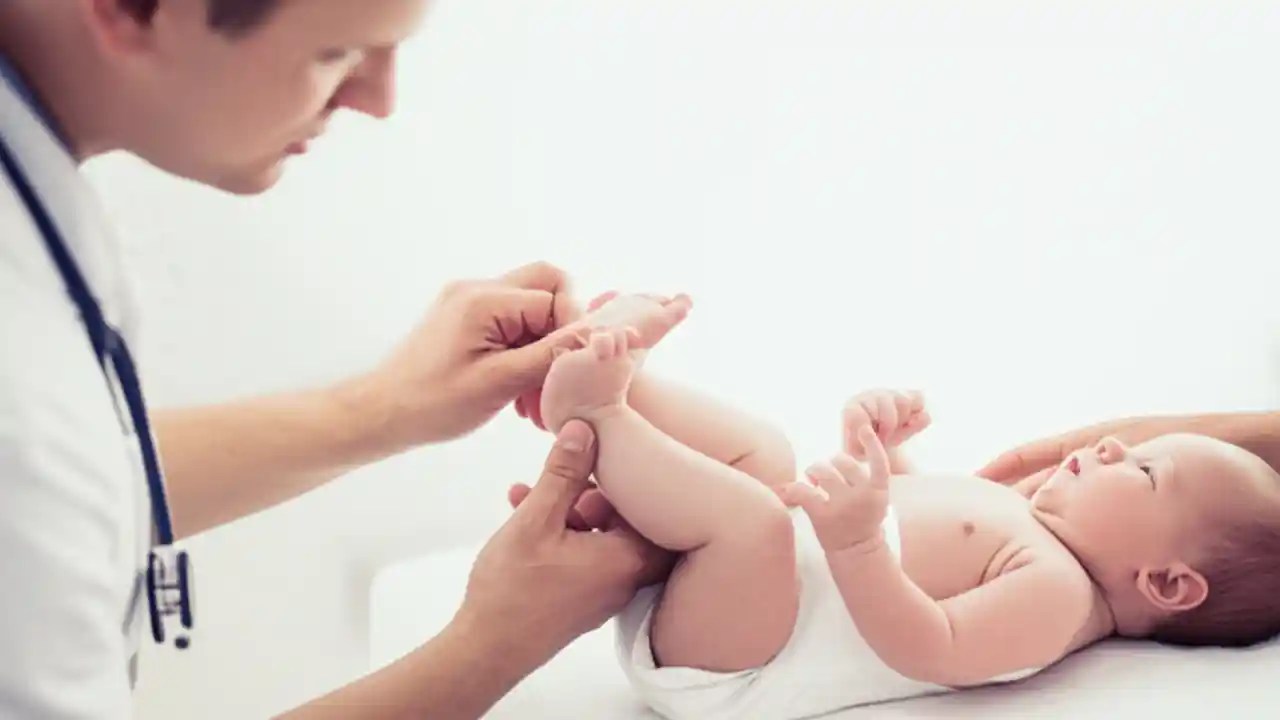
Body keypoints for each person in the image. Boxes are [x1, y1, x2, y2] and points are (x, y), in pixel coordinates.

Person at [0, 1, 670, 718]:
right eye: (336, 54)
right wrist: (492, 646)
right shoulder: (21, 380)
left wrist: (382, 411)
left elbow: (79, 478)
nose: (378, 102)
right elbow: (36, 471)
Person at [531, 292, 1280, 720]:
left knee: (751, 521)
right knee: (765, 455)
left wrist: (856, 545)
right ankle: (626, 383)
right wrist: (886, 457)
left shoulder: (1061, 596)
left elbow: (933, 642)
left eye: (1147, 471)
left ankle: (599, 415)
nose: (1116, 447)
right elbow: (917, 528)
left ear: (1167, 583)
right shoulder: (1025, 519)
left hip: (733, 663)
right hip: (742, 599)